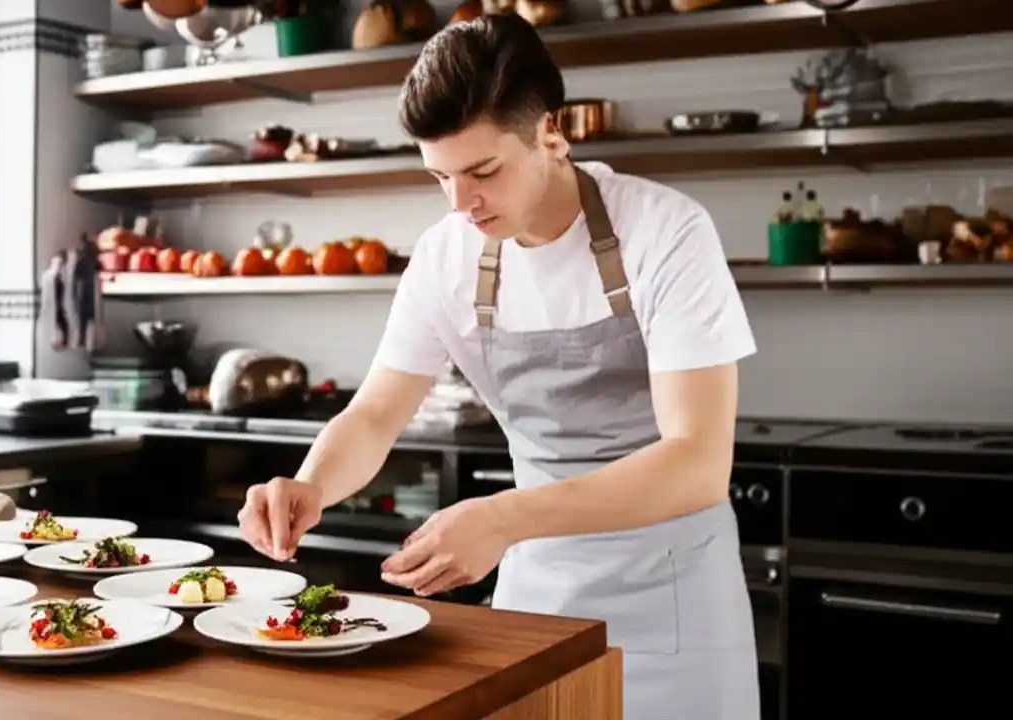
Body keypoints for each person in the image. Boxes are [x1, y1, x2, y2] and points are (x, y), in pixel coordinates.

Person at [236, 14, 760, 720]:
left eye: (483, 171)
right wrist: (309, 484)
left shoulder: (666, 232)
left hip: (674, 601)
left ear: (551, 132)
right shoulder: (446, 255)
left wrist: (506, 518)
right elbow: (376, 413)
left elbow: (696, 462)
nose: (461, 203)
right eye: (439, 177)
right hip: (535, 596)